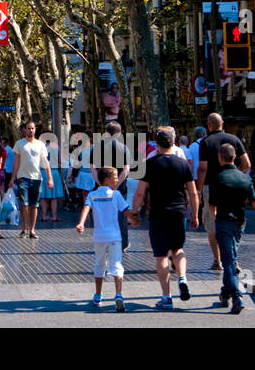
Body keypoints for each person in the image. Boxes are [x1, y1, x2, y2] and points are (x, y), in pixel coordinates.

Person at [128, 126, 197, 309]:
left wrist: (134, 212)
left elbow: (140, 193)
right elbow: (193, 192)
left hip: (158, 213)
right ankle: (182, 277)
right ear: (173, 143)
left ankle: (166, 297)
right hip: (178, 212)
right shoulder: (182, 163)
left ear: (156, 144)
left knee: (161, 256)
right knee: (178, 249)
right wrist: (195, 215)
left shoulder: (150, 164)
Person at [209, 142, 255, 312]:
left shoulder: (217, 178)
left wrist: (214, 218)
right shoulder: (245, 178)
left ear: (220, 158)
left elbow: (212, 204)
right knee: (231, 258)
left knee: (229, 261)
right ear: (235, 158)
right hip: (240, 223)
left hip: (223, 222)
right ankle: (225, 293)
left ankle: (237, 296)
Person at [195, 113, 248, 270]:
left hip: (211, 186)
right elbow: (247, 164)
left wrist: (198, 189)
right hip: (233, 187)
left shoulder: (205, 142)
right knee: (231, 221)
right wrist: (236, 176)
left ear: (208, 125)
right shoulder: (234, 140)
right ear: (222, 123)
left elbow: (203, 168)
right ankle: (232, 257)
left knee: (212, 224)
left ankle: (217, 260)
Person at [76, 166, 130, 312]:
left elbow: (86, 208)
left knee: (99, 265)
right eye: (115, 177)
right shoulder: (116, 194)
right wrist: (135, 219)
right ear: (107, 179)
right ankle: (118, 294)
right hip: (115, 238)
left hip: (99, 237)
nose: (117, 180)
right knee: (117, 265)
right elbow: (126, 212)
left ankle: (98, 295)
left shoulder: (92, 195)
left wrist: (81, 223)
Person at [90, 121, 132, 251]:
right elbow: (126, 169)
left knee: (102, 214)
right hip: (120, 188)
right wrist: (116, 184)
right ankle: (123, 244)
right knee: (121, 215)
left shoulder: (97, 147)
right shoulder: (124, 148)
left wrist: (100, 183)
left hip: (101, 187)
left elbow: (92, 167)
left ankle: (104, 243)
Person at [12, 120, 53, 238]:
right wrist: (12, 178)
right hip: (22, 177)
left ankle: (32, 230)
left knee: (34, 205)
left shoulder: (40, 145)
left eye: (32, 128)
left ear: (35, 129)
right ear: (25, 129)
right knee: (24, 204)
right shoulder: (19, 144)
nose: (30, 130)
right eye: (28, 128)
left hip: (37, 178)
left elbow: (45, 162)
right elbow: (16, 162)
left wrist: (50, 178)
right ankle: (24, 228)